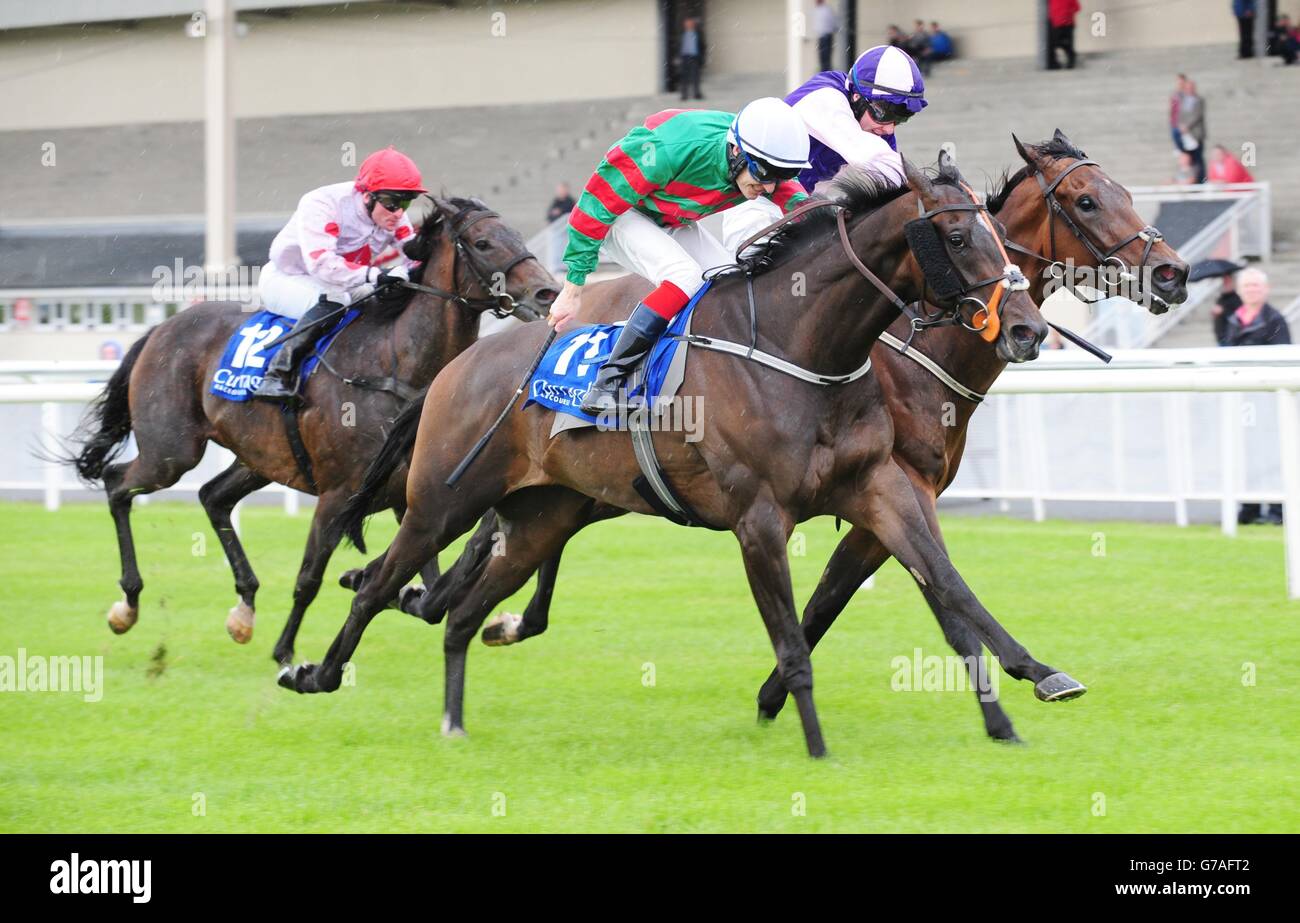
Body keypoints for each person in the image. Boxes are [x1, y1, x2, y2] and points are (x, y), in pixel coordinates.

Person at [547, 99, 812, 415]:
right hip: (620, 214)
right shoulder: (671, 146)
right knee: (685, 276)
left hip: (668, 216)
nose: (768, 187)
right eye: (764, 174)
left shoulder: (761, 158)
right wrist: (572, 289)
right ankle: (607, 383)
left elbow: (801, 209)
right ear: (736, 151)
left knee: (731, 280)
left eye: (779, 176)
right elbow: (591, 208)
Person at [251, 147, 424, 402]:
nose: (398, 212)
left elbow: (415, 255)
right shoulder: (323, 204)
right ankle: (277, 374)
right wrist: (378, 275)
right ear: (367, 196)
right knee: (336, 302)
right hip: (288, 278)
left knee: (380, 302)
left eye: (406, 202)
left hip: (343, 282)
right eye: (392, 202)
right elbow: (322, 264)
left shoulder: (393, 216)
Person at [721, 44, 925, 255]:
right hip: (757, 202)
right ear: (857, 97)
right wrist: (933, 191)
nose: (890, 127)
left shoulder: (877, 125)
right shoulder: (825, 96)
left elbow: (891, 189)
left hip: (802, 210)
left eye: (901, 118)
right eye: (886, 113)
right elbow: (870, 157)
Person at [1221, 268, 1290, 524]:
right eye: (1247, 286)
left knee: (1271, 451)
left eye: (1256, 286)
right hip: (1243, 398)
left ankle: (1276, 509)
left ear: (1266, 290)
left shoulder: (1275, 319)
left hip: (1268, 398)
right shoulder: (1232, 319)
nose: (1251, 290)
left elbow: (1281, 357)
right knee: (1246, 451)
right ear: (1239, 291)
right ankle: (1248, 508)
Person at [1177, 79, 1207, 182]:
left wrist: (1187, 126)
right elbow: (1180, 115)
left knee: (1198, 158)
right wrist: (1181, 125)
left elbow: (1197, 115)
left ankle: (1200, 179)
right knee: (1188, 158)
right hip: (1186, 135)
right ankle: (1189, 179)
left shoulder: (1199, 100)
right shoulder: (1184, 100)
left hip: (1195, 134)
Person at [1209, 271, 1243, 345]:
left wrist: (1223, 311)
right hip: (1220, 335)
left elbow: (1240, 316)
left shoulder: (1237, 298)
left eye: (1227, 281)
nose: (1225, 283)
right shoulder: (1221, 297)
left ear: (1233, 282)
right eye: (1224, 281)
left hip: (1231, 336)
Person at [1047, 0, 1080, 70]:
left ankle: (1071, 62)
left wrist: (1067, 13)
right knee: (1055, 44)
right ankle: (1054, 64)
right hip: (1056, 24)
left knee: (1066, 44)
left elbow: (1077, 8)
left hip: (1067, 24)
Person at [678, 18, 705, 101]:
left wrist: (702, 57)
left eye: (690, 24)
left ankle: (697, 93)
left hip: (694, 57)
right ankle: (684, 94)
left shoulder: (698, 34)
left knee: (695, 77)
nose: (688, 25)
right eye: (687, 24)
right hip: (685, 57)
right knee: (684, 77)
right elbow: (677, 46)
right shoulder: (682, 34)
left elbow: (702, 46)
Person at [813, 0, 838, 73]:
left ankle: (826, 74)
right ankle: (824, 73)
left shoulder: (826, 10)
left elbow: (833, 23)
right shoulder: (818, 10)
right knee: (823, 59)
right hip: (822, 37)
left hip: (826, 37)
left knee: (825, 60)